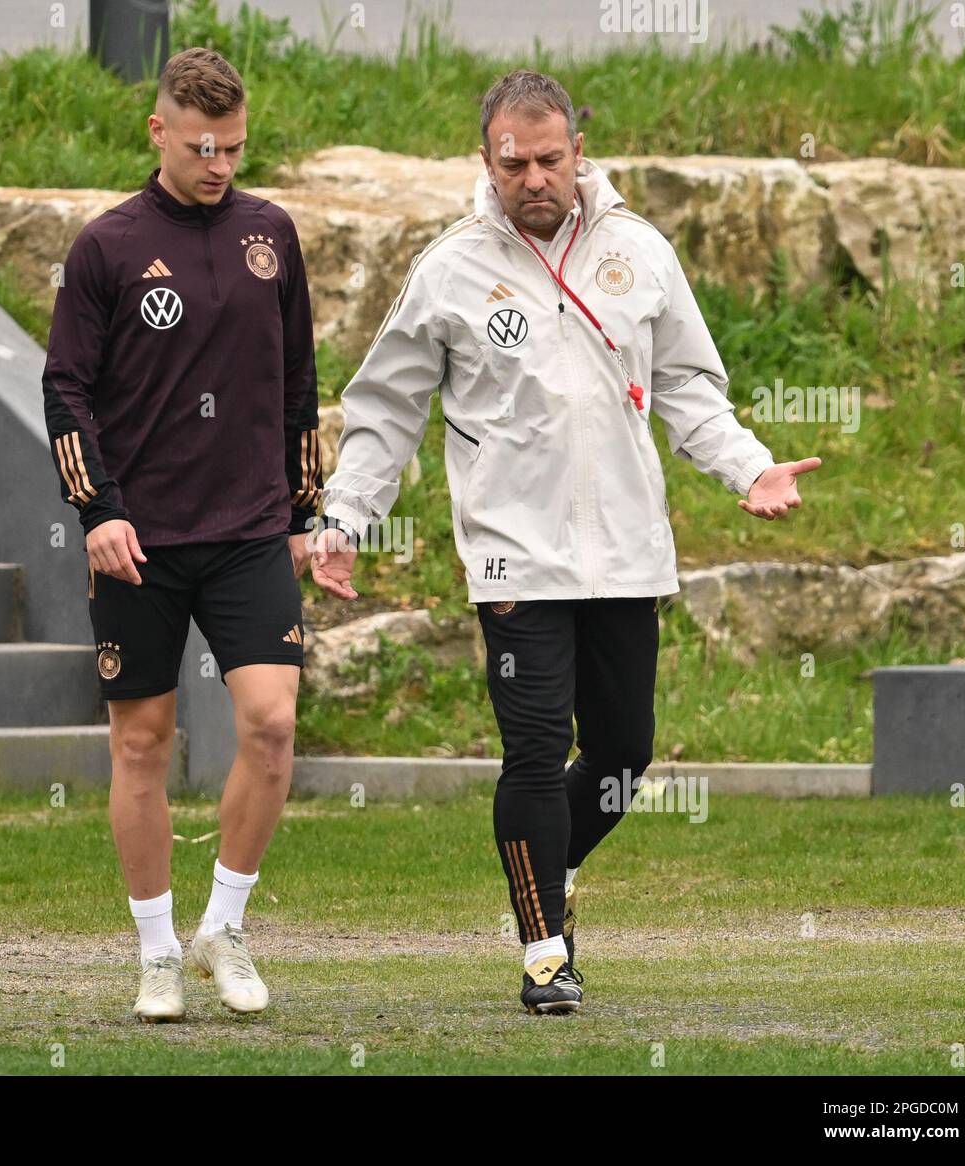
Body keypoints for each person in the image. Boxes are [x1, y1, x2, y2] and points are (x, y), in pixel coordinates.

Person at [312, 69, 820, 1016]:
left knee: (624, 757)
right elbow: (386, 409)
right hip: (515, 557)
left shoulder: (639, 251)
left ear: (578, 152)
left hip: (627, 552)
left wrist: (749, 469)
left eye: (550, 159)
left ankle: (550, 873)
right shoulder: (450, 269)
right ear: (485, 160)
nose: (534, 178)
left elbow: (687, 387)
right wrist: (345, 519)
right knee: (537, 752)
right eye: (514, 164)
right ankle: (544, 951)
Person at [42, 47, 322, 1022]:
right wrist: (98, 509)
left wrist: (305, 514)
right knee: (142, 742)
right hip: (141, 539)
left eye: (234, 148)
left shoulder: (270, 233)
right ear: (158, 131)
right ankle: (157, 952)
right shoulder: (106, 247)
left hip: (249, 528)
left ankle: (224, 928)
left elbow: (298, 382)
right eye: (203, 147)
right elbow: (66, 388)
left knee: (272, 723)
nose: (220, 165)